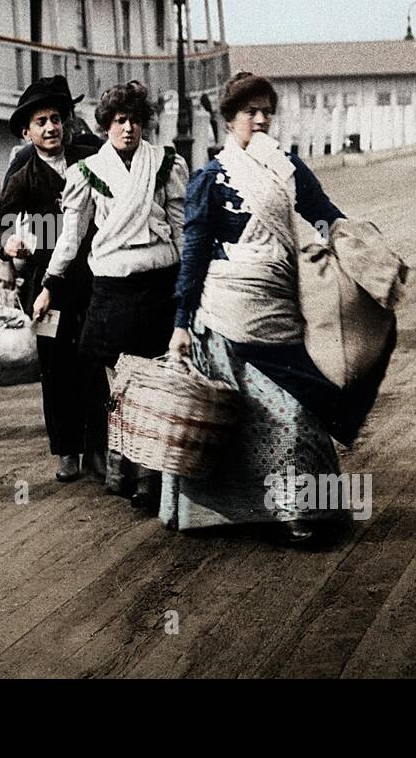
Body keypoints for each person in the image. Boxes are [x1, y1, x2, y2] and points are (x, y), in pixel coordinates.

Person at [168, 73, 396, 542]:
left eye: (266, 111)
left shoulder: (290, 170)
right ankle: (225, 515)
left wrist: (362, 252)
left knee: (300, 413)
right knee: (245, 419)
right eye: (250, 111)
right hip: (229, 314)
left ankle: (306, 513)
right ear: (228, 120)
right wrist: (181, 322)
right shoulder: (210, 178)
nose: (260, 119)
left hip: (283, 312)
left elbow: (326, 215)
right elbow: (193, 254)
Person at [33, 80, 187, 510]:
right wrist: (49, 284)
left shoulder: (165, 164)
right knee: (120, 383)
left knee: (155, 382)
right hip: (113, 290)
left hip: (158, 284)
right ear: (105, 126)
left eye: (136, 120)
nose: (129, 129)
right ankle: (122, 466)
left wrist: (191, 282)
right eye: (120, 121)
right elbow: (70, 237)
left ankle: (150, 476)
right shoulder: (86, 173)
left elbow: (180, 228)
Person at [0, 76, 103, 483]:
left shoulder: (91, 158)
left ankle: (98, 449)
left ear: (67, 123)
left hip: (92, 273)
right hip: (44, 284)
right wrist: (10, 245)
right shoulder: (23, 176)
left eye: (56, 119)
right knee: (56, 367)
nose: (51, 128)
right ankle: (67, 451)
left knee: (93, 359)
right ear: (27, 131)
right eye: (41, 122)